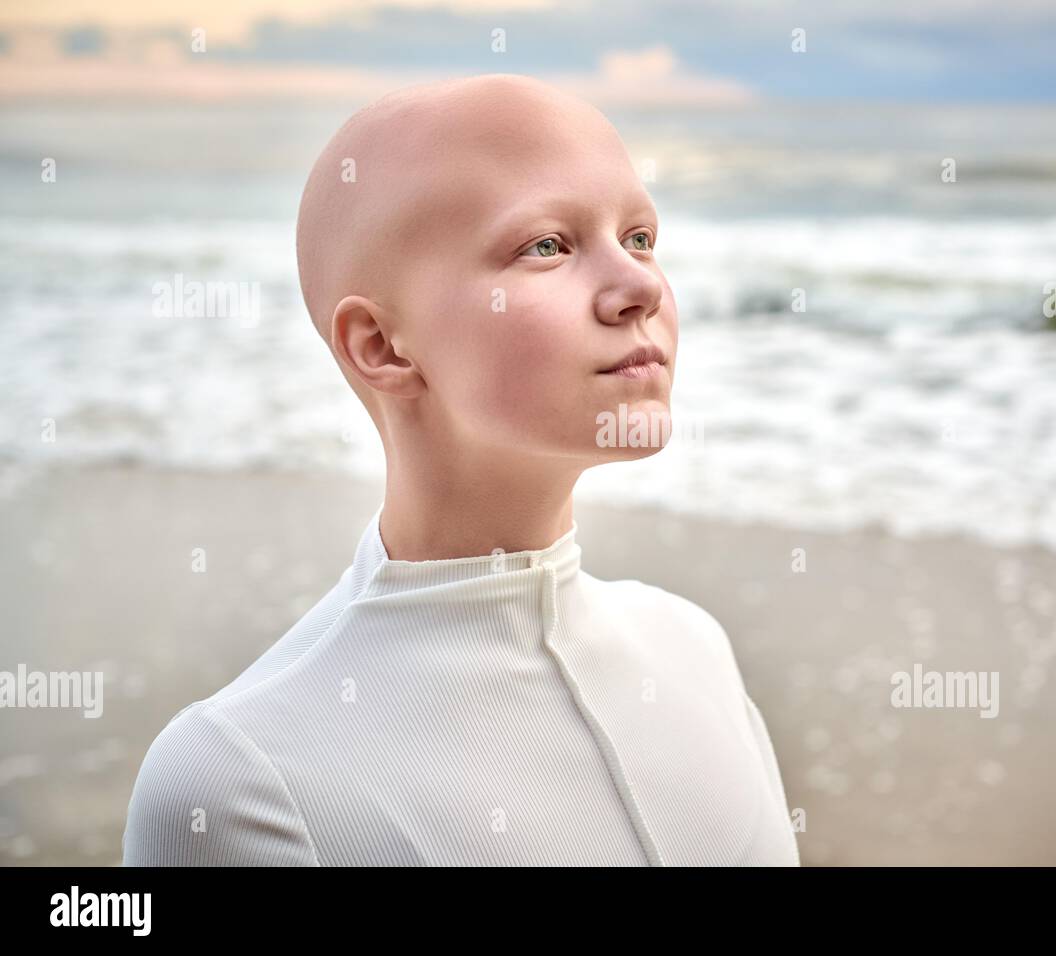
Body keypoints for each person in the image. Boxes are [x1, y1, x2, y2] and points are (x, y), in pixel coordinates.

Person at [122, 74, 799, 866]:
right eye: (548, 245)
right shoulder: (238, 780)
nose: (641, 286)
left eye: (640, 237)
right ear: (381, 346)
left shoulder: (694, 650)